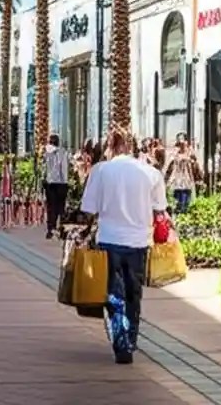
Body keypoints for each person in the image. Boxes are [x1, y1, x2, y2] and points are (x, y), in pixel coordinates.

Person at [80, 128, 168, 365]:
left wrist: (84, 231)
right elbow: (160, 209)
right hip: (139, 241)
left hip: (109, 240)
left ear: (110, 146)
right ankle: (131, 337)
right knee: (134, 292)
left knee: (114, 294)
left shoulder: (101, 171)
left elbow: (88, 209)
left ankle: (122, 343)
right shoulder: (150, 173)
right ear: (132, 146)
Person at [43, 135, 70, 239]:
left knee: (51, 207)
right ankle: (62, 230)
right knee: (61, 207)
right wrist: (66, 181)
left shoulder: (45, 153)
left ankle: (50, 229)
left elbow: (43, 168)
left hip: (49, 183)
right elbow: (64, 168)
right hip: (61, 183)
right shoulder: (62, 152)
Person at [167, 135, 198, 213]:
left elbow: (195, 164)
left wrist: (190, 160)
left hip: (186, 182)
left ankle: (184, 216)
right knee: (177, 203)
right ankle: (179, 217)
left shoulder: (190, 153)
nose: (181, 145)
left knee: (185, 203)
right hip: (177, 182)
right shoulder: (175, 154)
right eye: (179, 143)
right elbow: (169, 166)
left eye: (183, 143)